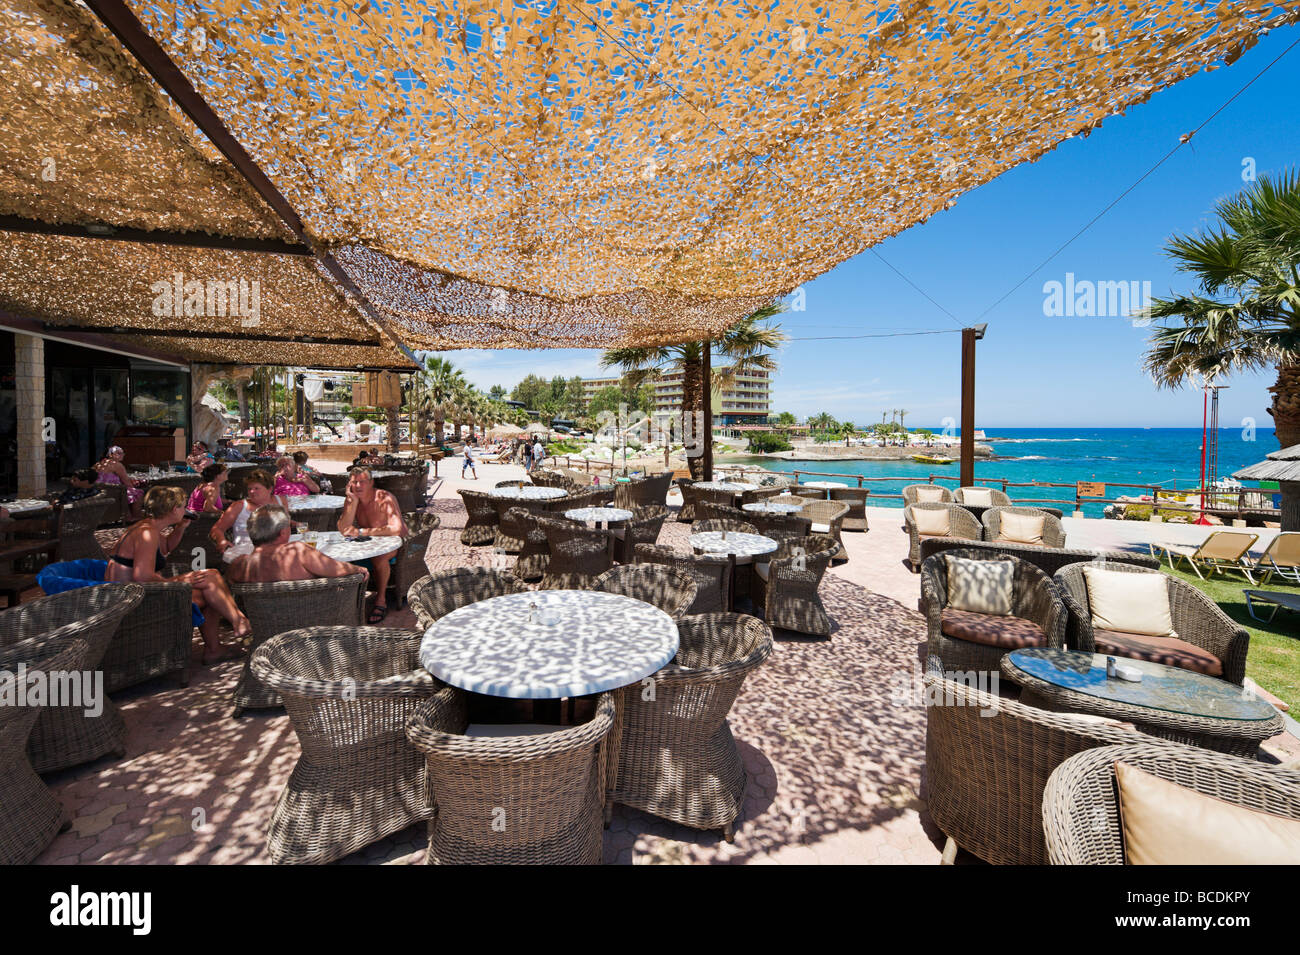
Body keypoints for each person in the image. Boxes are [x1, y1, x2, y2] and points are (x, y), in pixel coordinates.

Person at [106, 485, 251, 664]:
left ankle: (235, 625)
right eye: (183, 506)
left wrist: (181, 527)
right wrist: (179, 581)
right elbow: (142, 576)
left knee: (211, 578)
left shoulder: (148, 526)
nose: (186, 509)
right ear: (174, 509)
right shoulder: (147, 533)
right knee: (211, 590)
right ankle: (228, 634)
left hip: (134, 593)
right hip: (134, 602)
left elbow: (166, 547)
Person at [227, 505, 366, 584]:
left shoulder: (239, 564)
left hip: (266, 626)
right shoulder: (296, 551)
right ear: (282, 532)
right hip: (313, 622)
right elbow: (338, 569)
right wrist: (358, 569)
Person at [338, 467, 408, 623]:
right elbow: (343, 529)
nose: (358, 486)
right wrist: (352, 502)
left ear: (371, 482)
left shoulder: (384, 498)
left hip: (393, 544)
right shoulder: (352, 499)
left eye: (362, 482)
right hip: (369, 544)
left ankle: (381, 600)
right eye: (354, 482)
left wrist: (363, 531)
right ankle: (347, 599)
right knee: (339, 556)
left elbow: (399, 529)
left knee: (379, 557)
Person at [210, 468, 297, 552]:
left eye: (256, 488)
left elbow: (283, 523)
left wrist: (295, 523)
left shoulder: (281, 501)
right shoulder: (239, 506)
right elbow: (217, 529)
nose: (251, 491)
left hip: (278, 551)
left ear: (270, 489)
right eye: (249, 489)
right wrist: (221, 541)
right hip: (247, 553)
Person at [94, 445, 143, 520]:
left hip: (99, 492)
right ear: (110, 454)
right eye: (118, 453)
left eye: (122, 453)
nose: (122, 455)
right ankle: (136, 516)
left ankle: (129, 514)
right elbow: (127, 483)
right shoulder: (117, 465)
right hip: (114, 493)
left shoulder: (99, 464)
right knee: (138, 492)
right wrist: (134, 485)